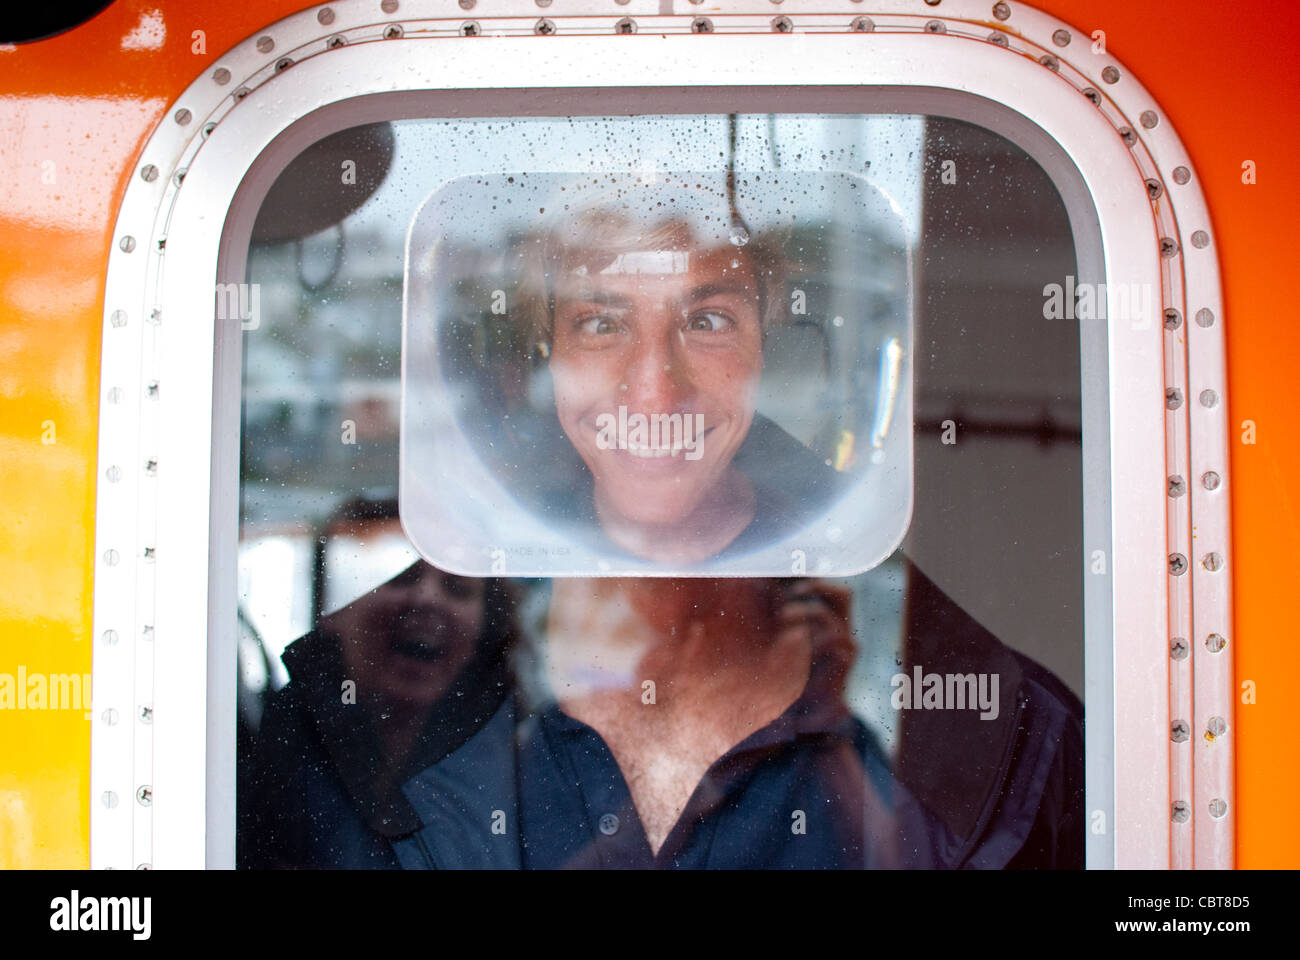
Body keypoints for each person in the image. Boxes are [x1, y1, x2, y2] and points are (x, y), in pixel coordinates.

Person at [509, 199, 851, 566]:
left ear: (761, 350)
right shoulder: (503, 544)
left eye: (706, 323)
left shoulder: (841, 547)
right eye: (602, 325)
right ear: (550, 352)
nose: (655, 399)